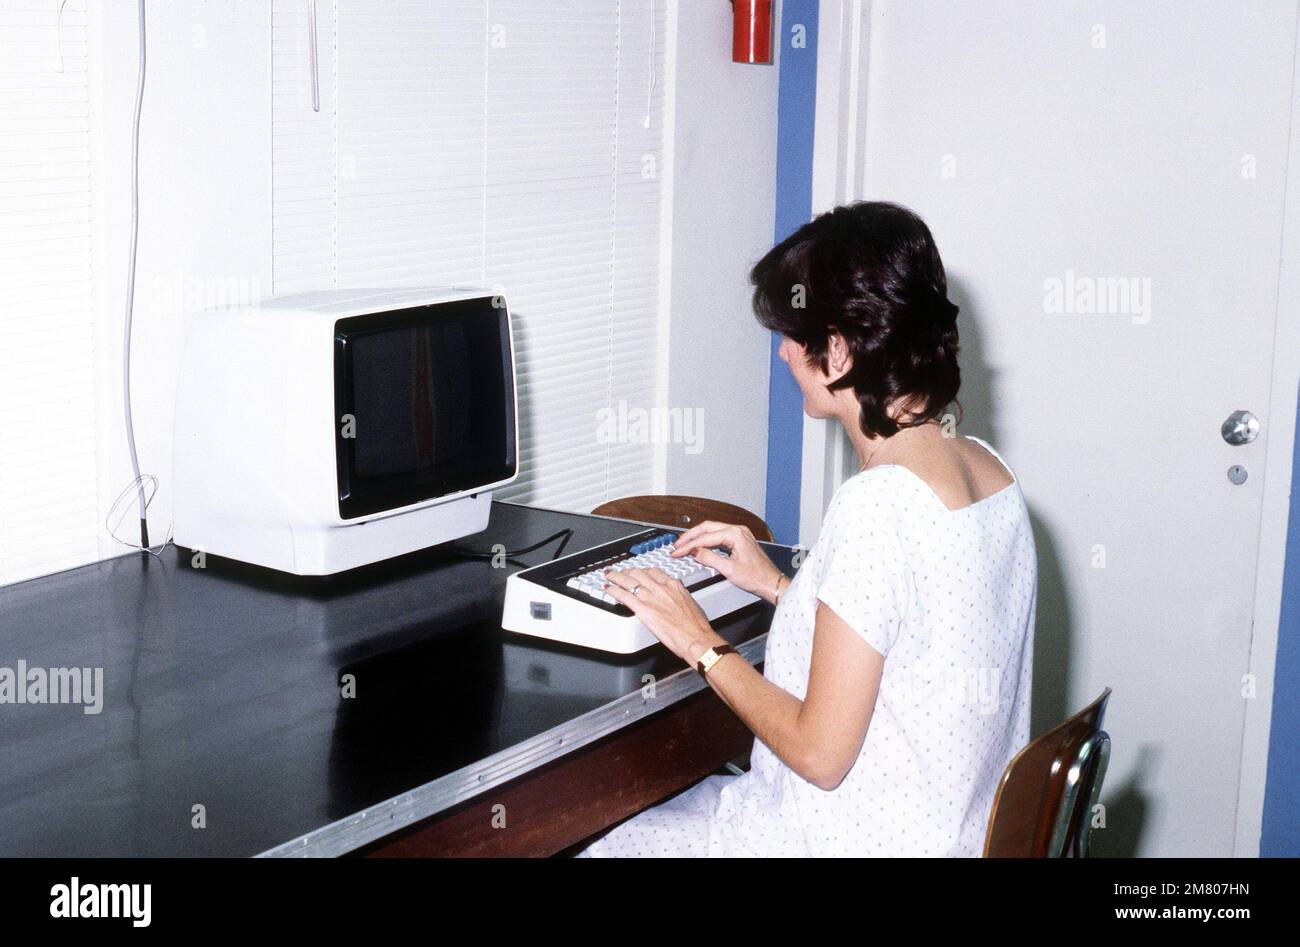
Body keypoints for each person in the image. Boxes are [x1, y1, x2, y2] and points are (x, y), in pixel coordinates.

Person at [578, 201, 1037, 857]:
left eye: (794, 335)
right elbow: (920, 651)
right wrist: (776, 585)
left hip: (838, 839)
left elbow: (820, 756)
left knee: (585, 838)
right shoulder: (991, 473)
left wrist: (700, 642)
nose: (785, 354)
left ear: (841, 350)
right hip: (950, 835)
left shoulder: (877, 504)